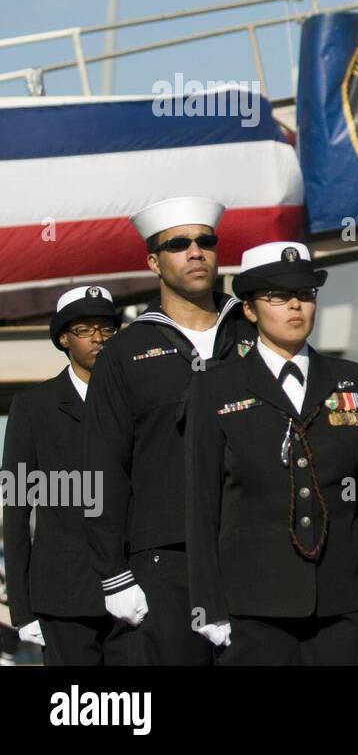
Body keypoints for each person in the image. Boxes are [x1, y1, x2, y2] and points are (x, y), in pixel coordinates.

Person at [184, 241, 358, 665]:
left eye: (305, 295)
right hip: (253, 607)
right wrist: (209, 604)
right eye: (279, 297)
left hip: (344, 602)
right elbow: (201, 505)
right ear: (249, 310)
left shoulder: (353, 381)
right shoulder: (215, 387)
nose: (295, 306)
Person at [83, 196, 258, 665]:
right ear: (153, 261)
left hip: (256, 552)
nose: (196, 252)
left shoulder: (257, 331)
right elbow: (102, 469)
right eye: (179, 244)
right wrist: (114, 575)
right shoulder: (124, 354)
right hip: (165, 561)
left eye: (206, 241)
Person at [2, 286, 125, 665]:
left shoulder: (135, 400)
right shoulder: (33, 408)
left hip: (135, 589)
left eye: (106, 328)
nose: (99, 339)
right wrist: (22, 610)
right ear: (64, 339)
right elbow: (17, 509)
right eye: (86, 330)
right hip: (64, 596)